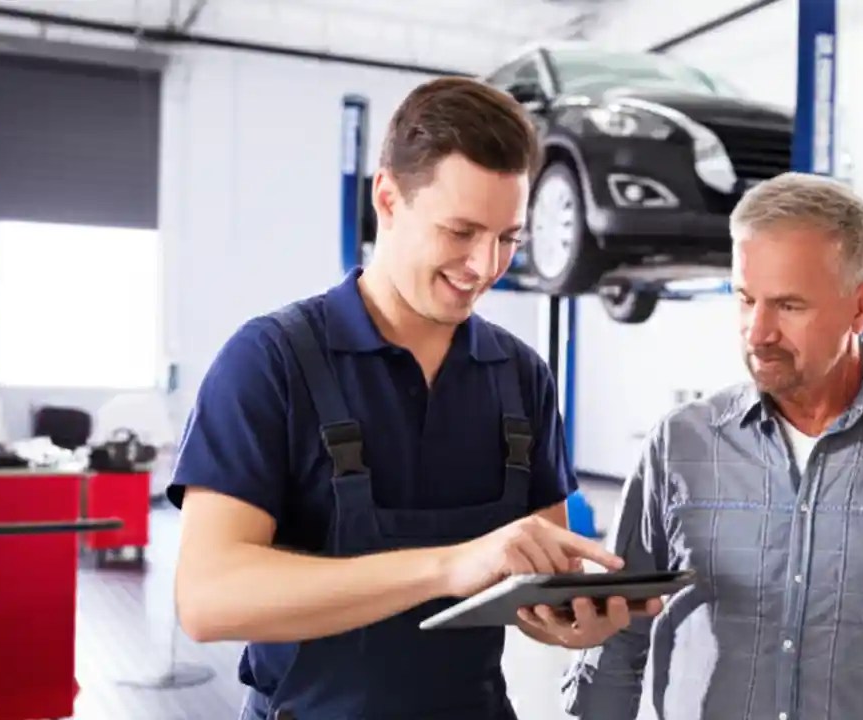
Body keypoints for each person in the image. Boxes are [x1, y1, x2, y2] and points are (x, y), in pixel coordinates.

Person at [169, 77, 659, 720]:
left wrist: (573, 622)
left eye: (509, 237)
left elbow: (534, 592)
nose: (485, 265)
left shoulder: (520, 377)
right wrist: (446, 569)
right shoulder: (270, 362)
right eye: (461, 231)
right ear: (388, 199)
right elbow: (208, 599)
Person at [561, 172, 863, 720]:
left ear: (862, 307)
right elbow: (618, 634)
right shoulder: (681, 443)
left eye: (789, 306)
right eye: (745, 300)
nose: (758, 332)